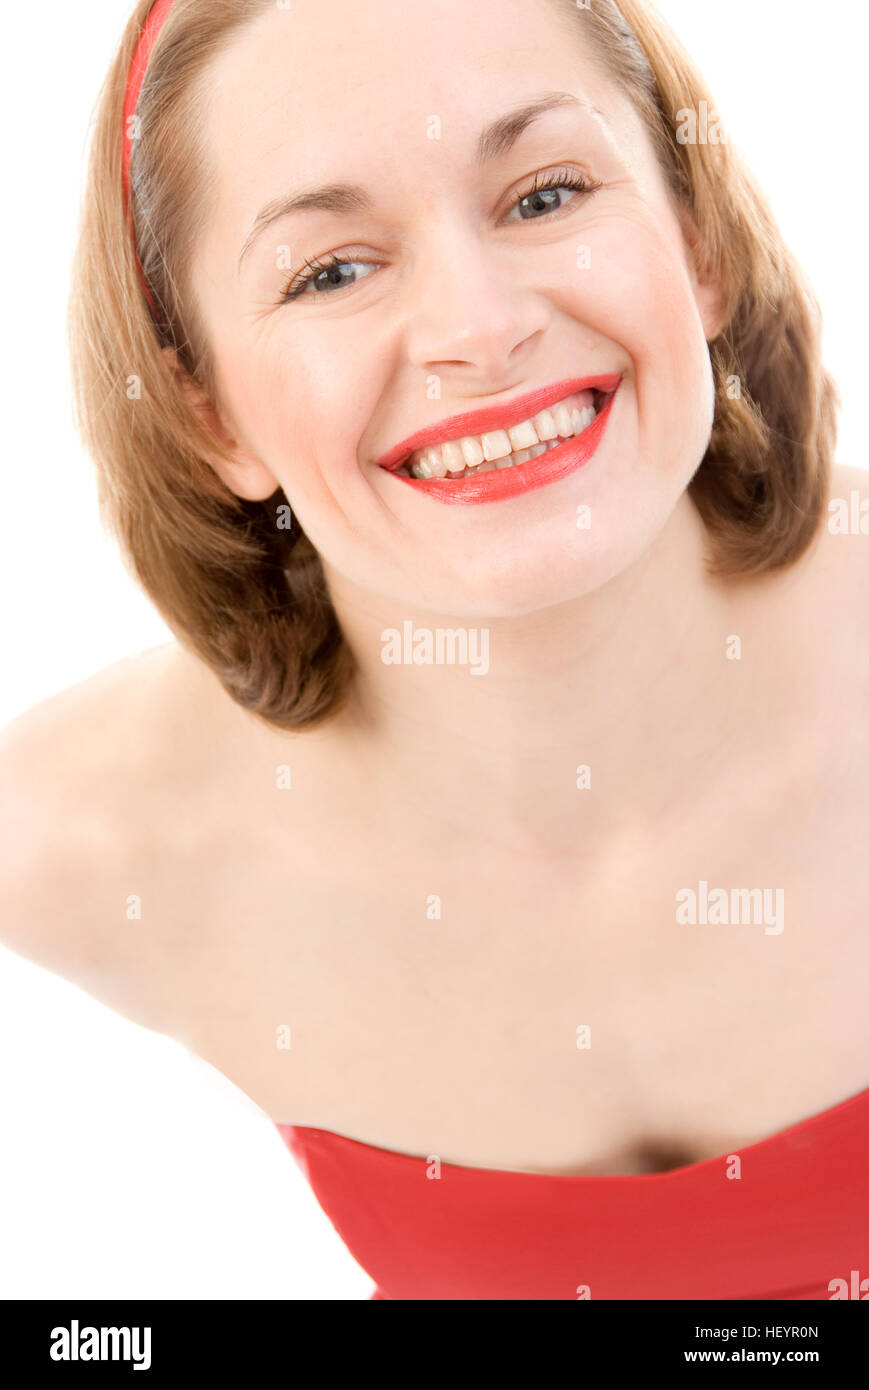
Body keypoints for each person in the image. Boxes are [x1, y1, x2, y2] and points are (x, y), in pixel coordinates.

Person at [2, 0, 867, 1300]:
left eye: (545, 194)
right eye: (331, 271)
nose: (481, 324)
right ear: (207, 416)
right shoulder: (68, 843)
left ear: (693, 244)